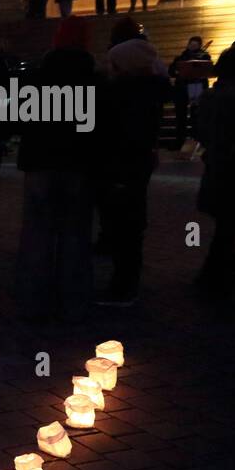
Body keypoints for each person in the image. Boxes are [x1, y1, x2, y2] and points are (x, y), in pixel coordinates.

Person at [13, 19, 99, 322]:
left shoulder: (36, 80)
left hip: (40, 164)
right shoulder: (95, 81)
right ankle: (72, 300)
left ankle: (33, 299)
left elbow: (17, 119)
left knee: (37, 233)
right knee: (75, 233)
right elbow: (105, 128)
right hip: (79, 165)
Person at [94, 36, 171, 306]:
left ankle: (124, 288)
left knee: (124, 229)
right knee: (128, 228)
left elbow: (126, 136)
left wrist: (116, 174)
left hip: (123, 170)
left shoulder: (129, 95)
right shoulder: (146, 91)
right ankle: (126, 282)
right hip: (131, 167)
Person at [193, 46, 235, 298]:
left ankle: (216, 276)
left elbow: (201, 132)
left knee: (225, 227)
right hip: (234, 165)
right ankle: (220, 276)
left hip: (221, 165)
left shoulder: (213, 96)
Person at [170, 35, 212, 150]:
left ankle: (197, 141)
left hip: (197, 87)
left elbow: (207, 70)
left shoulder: (204, 56)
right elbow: (172, 71)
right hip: (182, 89)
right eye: (190, 44)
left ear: (199, 46)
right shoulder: (180, 57)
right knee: (180, 116)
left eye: (195, 45)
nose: (192, 46)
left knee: (196, 115)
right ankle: (179, 141)